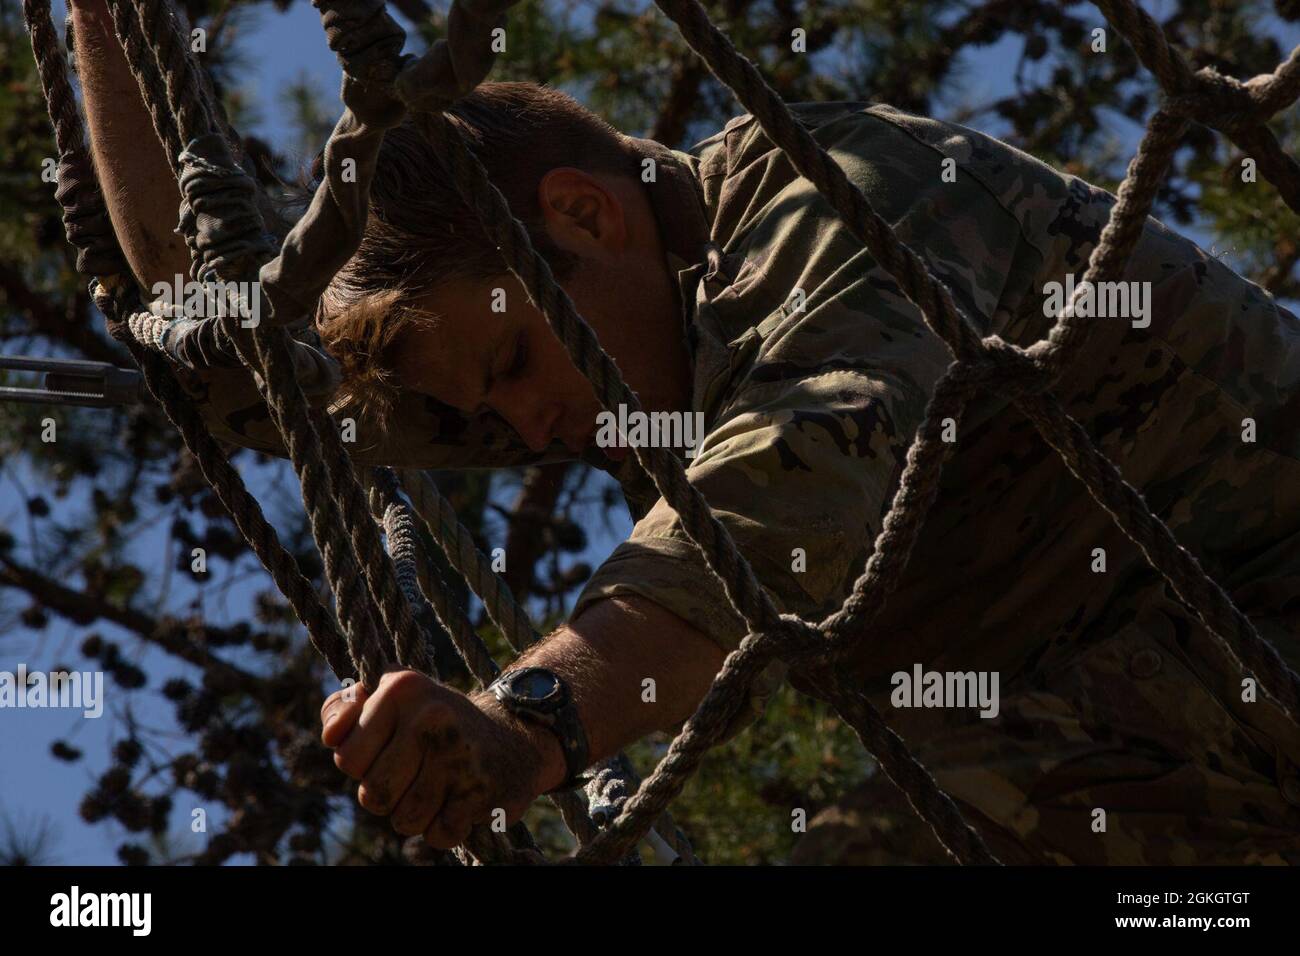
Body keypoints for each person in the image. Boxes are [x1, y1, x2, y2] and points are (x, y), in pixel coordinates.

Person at [71, 0, 1300, 863]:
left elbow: (799, 467)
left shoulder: (836, 190)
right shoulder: (618, 371)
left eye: (506, 362)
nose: (523, 427)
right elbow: (246, 358)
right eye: (480, 408)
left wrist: (528, 721)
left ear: (586, 217)